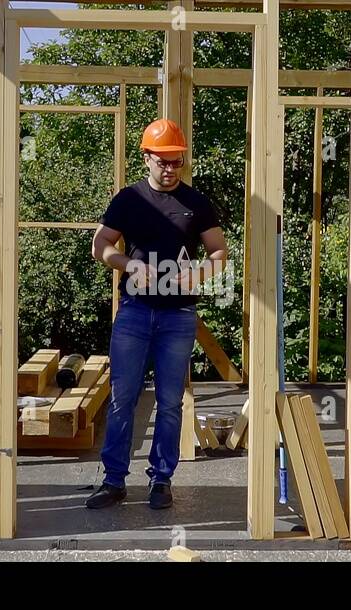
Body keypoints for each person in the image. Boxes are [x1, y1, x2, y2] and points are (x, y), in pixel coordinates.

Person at [87, 118, 228, 510]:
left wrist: (200, 272)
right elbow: (100, 245)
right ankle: (114, 481)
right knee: (122, 399)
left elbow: (219, 252)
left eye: (176, 162)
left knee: (170, 402)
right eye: (162, 161)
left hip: (178, 316)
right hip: (134, 313)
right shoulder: (129, 200)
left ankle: (161, 481)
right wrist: (126, 263)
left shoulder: (196, 202)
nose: (169, 169)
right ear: (146, 157)